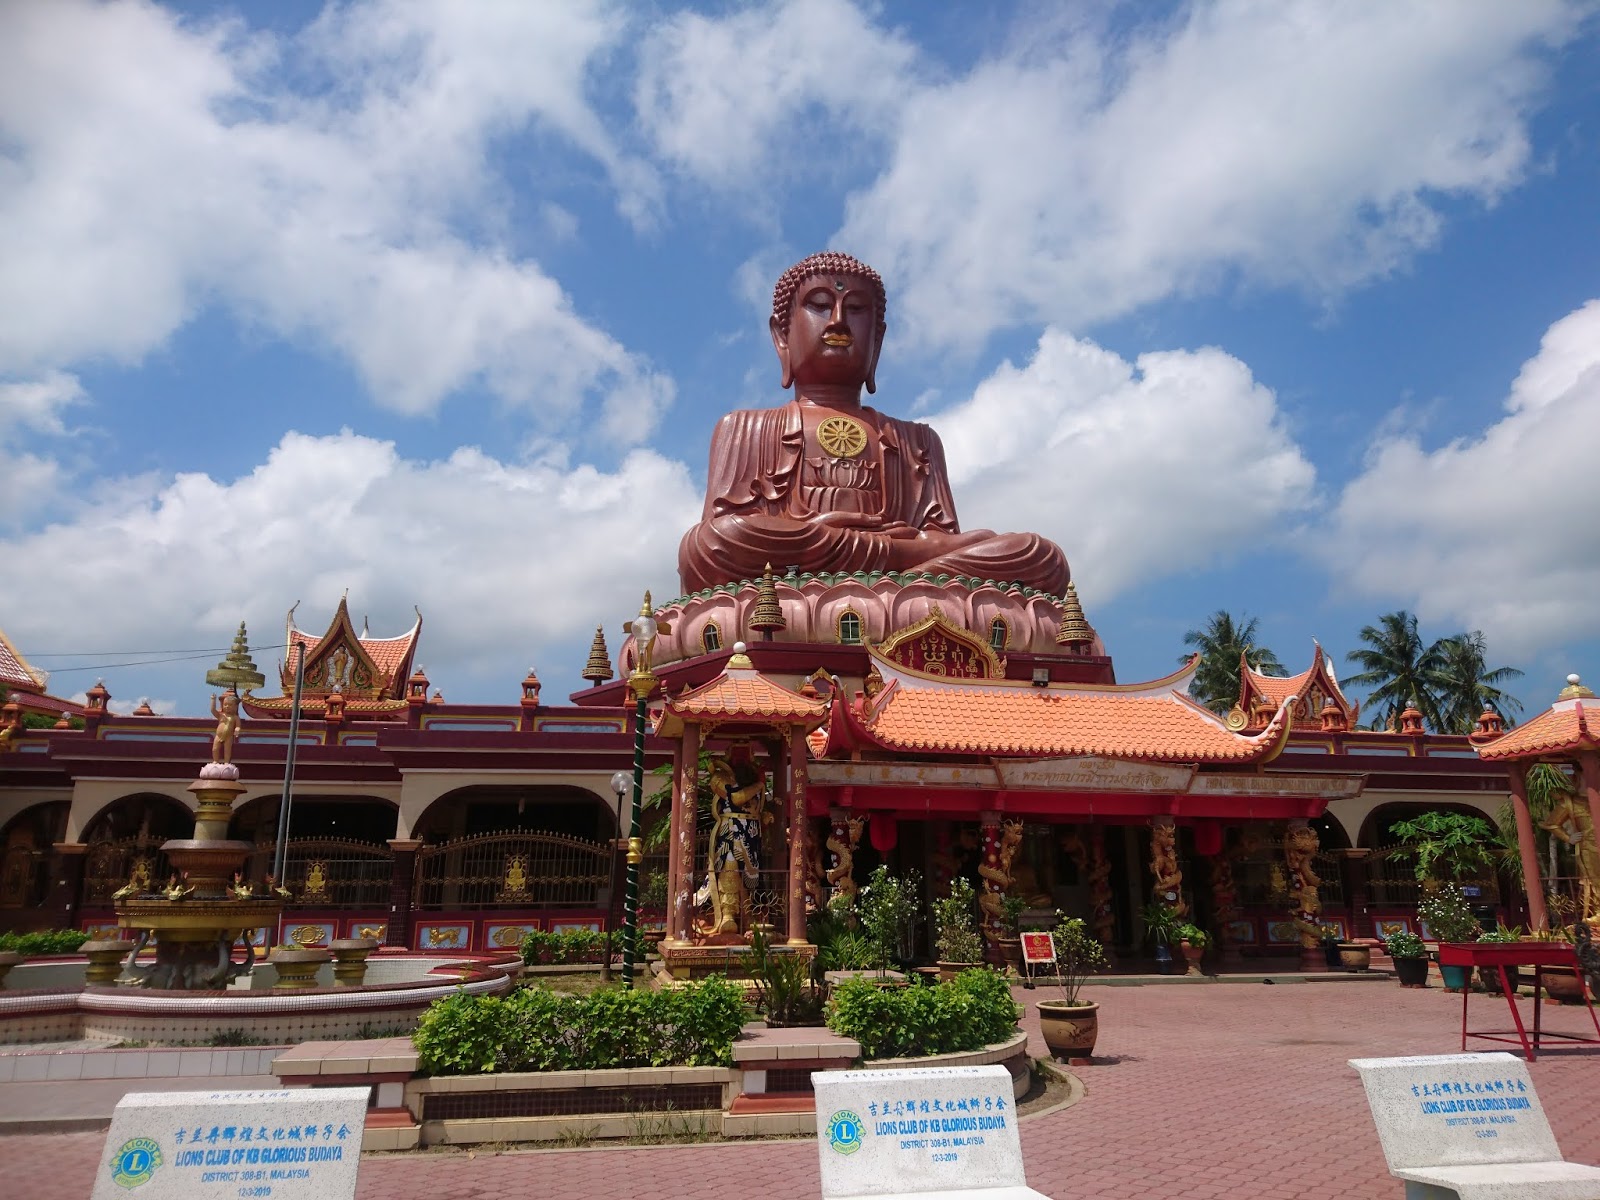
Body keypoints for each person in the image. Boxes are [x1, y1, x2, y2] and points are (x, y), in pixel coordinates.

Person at [677, 251, 1070, 595]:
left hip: (858, 591)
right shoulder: (746, 428)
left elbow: (942, 538)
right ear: (782, 335)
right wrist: (887, 549)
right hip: (812, 582)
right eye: (818, 304)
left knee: (1039, 554)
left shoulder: (918, 440)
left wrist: (921, 547)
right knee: (712, 540)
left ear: (877, 339)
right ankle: (906, 576)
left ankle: (903, 579)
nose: (838, 322)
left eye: (857, 310)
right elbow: (720, 541)